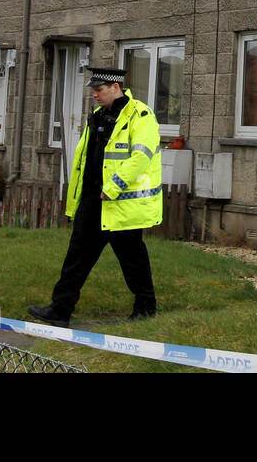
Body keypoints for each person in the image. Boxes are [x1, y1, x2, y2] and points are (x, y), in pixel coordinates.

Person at [28, 66, 162, 327]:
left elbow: (141, 157)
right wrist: (78, 200)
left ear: (115, 87)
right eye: (93, 91)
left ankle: (146, 308)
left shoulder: (140, 115)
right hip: (93, 201)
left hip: (121, 205)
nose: (95, 95)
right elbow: (86, 161)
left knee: (133, 260)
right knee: (76, 258)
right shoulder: (98, 117)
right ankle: (60, 310)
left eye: (99, 90)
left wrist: (112, 188)